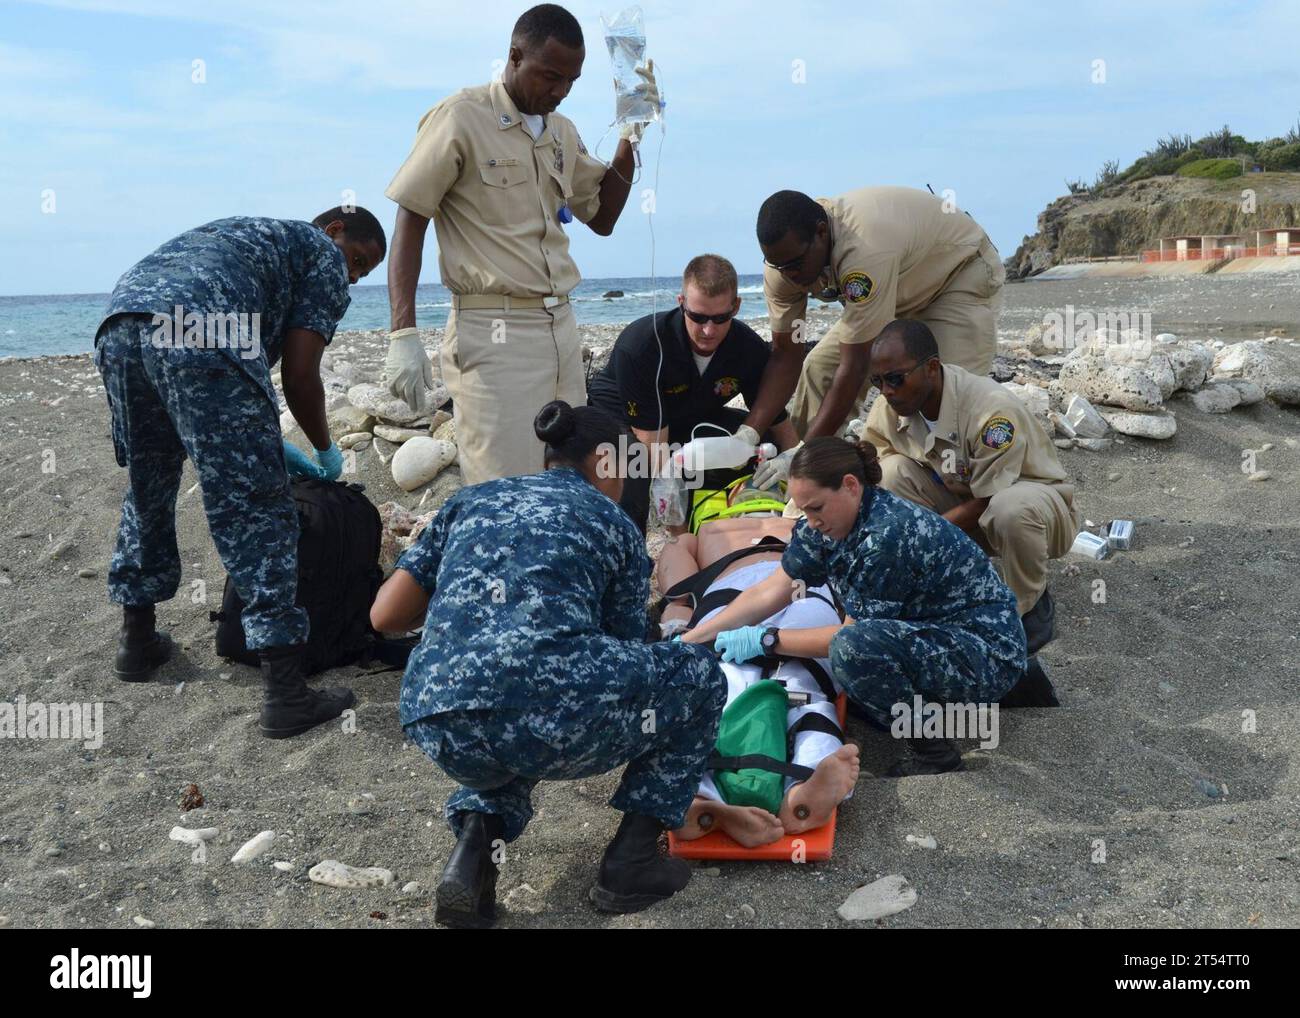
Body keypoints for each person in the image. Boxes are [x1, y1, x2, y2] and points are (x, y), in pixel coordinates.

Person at [371, 401, 726, 928]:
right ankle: (631, 862)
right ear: (606, 460)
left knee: (513, 702)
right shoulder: (613, 523)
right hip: (551, 718)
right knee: (699, 677)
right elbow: (618, 654)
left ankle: (473, 852)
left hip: (439, 721)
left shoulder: (470, 500)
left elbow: (385, 616)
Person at [93, 208, 386, 738]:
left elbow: (219, 405)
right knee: (256, 506)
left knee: (149, 482)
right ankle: (286, 691)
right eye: (358, 262)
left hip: (120, 323)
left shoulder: (251, 238)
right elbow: (300, 375)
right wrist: (323, 448)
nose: (351, 278)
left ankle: (137, 642)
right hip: (206, 328)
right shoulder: (320, 251)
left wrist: (262, 441)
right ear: (334, 230)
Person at [383, 3, 655, 484]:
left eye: (571, 80)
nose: (559, 91)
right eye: (549, 76)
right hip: (493, 330)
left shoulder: (561, 132)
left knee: (569, 477)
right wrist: (403, 332)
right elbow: (411, 216)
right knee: (503, 484)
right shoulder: (461, 118)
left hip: (561, 328)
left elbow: (604, 217)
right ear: (513, 56)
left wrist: (631, 136)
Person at [684, 437, 1026, 776]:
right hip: (932, 634)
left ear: (850, 486)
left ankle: (933, 751)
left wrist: (766, 640)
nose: (811, 521)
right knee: (857, 666)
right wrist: (696, 637)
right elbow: (772, 590)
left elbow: (850, 636)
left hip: (987, 650)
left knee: (854, 653)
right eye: (803, 510)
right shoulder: (826, 524)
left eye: (816, 508)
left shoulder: (885, 537)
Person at [863, 319, 1079, 696]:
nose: (886, 391)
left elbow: (988, 498)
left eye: (895, 378)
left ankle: (1027, 604)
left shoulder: (991, 412)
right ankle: (942, 584)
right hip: (967, 509)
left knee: (1010, 507)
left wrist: (927, 538)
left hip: (1037, 513)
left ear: (931, 367)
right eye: (876, 381)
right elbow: (868, 463)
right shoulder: (892, 406)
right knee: (891, 472)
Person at [743, 186, 1005, 489]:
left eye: (796, 265)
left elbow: (857, 366)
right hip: (893, 292)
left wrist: (802, 456)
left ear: (820, 233)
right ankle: (802, 486)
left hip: (955, 276)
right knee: (817, 369)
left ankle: (957, 498)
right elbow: (786, 354)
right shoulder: (783, 263)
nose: (789, 275)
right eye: (780, 267)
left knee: (946, 395)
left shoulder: (864, 249)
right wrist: (749, 432)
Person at [656, 516, 859, 847]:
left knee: (718, 691)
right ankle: (803, 784)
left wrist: (678, 627)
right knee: (804, 690)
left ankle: (699, 794)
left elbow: (677, 578)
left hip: (729, 600)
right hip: (806, 595)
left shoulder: (709, 528)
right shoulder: (810, 518)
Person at [587, 253, 799, 531]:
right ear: (681, 303)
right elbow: (655, 451)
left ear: (736, 307)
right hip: (630, 425)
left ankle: (746, 512)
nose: (708, 331)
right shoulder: (644, 347)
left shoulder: (747, 347)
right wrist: (683, 537)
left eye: (720, 318)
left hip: (688, 415)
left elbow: (774, 417)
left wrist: (796, 459)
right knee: (635, 471)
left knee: (765, 443)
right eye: (698, 318)